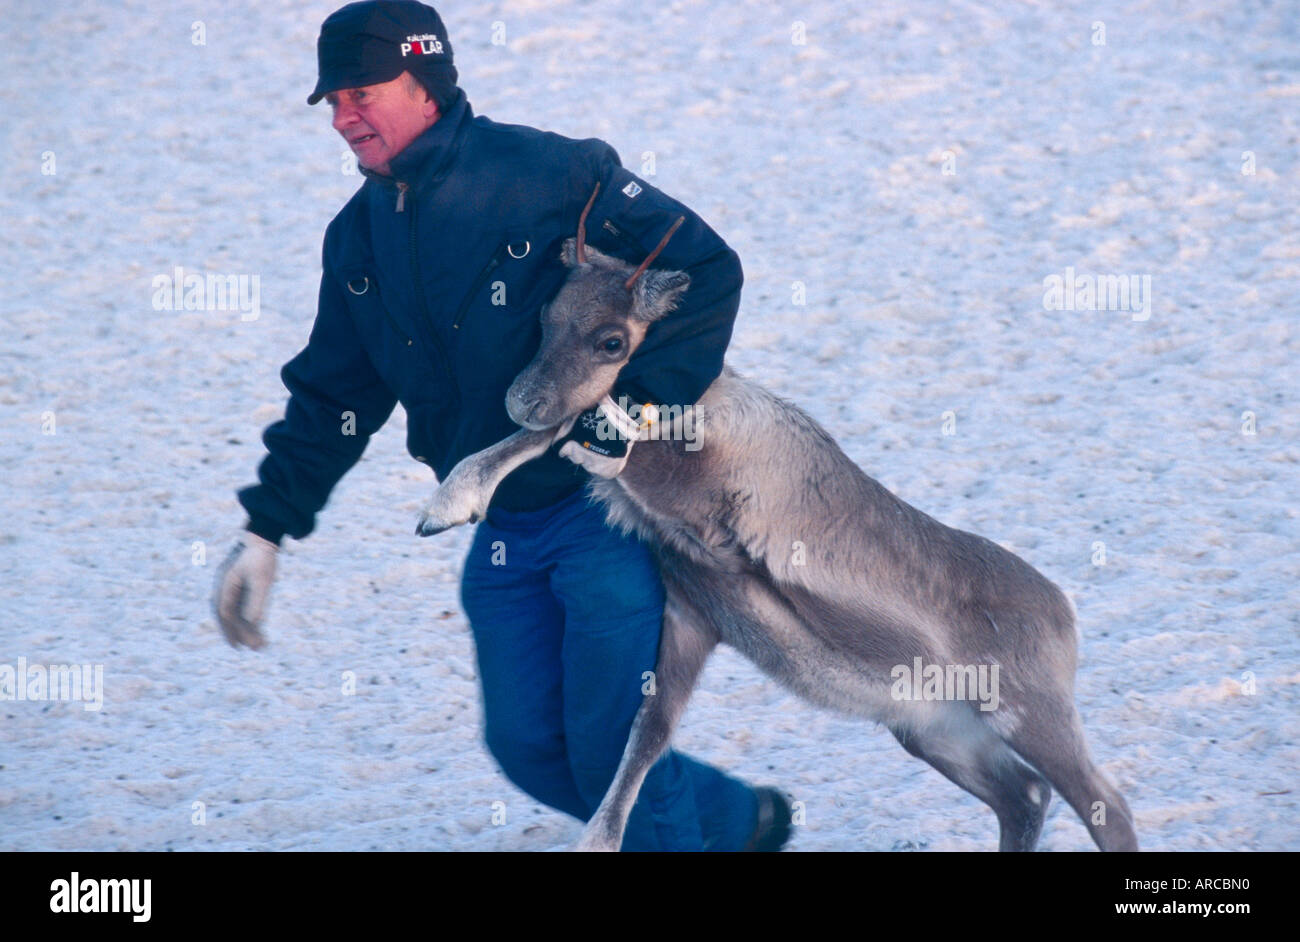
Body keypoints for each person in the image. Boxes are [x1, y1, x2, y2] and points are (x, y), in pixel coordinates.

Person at [213, 0, 790, 851]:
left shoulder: (551, 176)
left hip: (606, 513)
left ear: (426, 83)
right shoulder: (359, 238)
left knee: (607, 750)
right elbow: (335, 396)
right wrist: (267, 529)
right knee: (527, 748)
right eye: (330, 102)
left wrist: (640, 410)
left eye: (359, 93)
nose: (341, 117)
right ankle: (744, 824)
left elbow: (703, 265)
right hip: (500, 524)